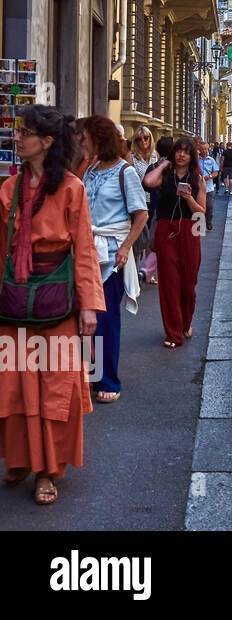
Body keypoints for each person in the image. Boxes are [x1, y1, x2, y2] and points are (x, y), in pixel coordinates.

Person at [0, 105, 105, 506]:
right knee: (13, 385)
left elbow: (83, 250)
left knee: (55, 390)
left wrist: (90, 306)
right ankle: (22, 460)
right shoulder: (8, 190)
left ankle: (48, 471)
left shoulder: (72, 189)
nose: (17, 137)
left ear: (46, 142)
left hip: (58, 303)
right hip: (14, 305)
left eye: (25, 132)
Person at [80, 115, 148, 404]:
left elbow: (141, 214)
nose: (82, 141)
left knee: (106, 321)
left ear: (99, 138)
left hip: (112, 255)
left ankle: (109, 380)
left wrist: (125, 248)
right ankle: (92, 377)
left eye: (85, 137)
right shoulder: (90, 170)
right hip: (86, 253)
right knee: (86, 319)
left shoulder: (125, 172)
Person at [143, 138, 205, 348]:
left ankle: (185, 324)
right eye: (178, 151)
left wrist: (189, 199)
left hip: (191, 229)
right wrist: (162, 164)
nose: (181, 155)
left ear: (191, 156)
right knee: (169, 285)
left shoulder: (198, 179)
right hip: (166, 229)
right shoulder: (166, 176)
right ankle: (173, 334)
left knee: (188, 285)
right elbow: (148, 182)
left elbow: (202, 213)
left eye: (186, 152)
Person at [196, 141, 218, 231]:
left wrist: (210, 176)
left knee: (209, 206)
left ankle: (208, 221)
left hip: (209, 188)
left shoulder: (211, 160)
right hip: (198, 188)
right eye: (202, 149)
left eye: (205, 149)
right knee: (199, 207)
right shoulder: (196, 160)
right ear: (199, 150)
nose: (204, 151)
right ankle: (200, 225)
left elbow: (216, 172)